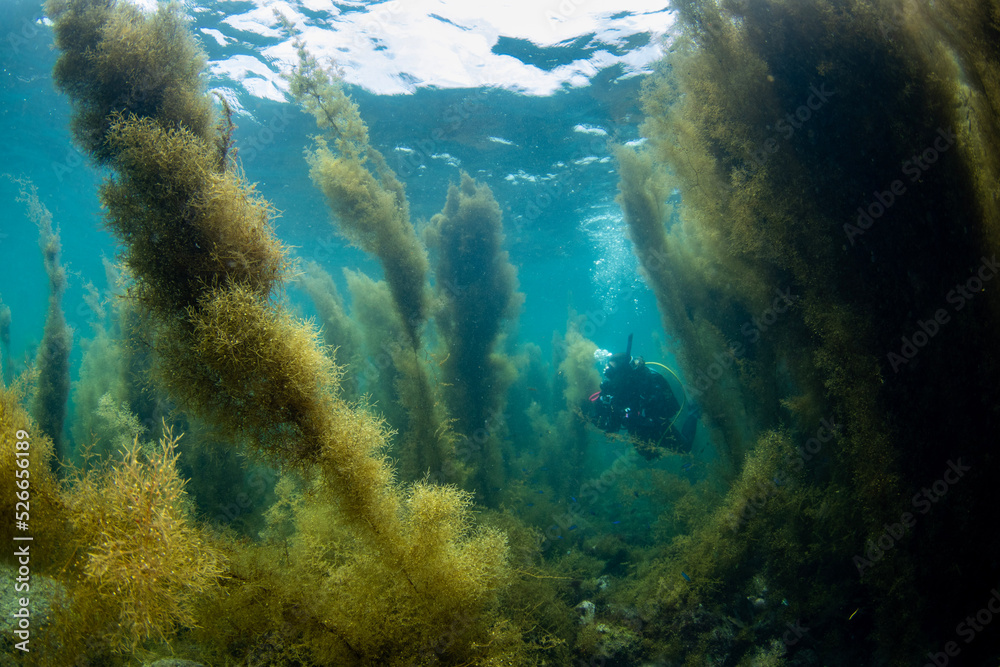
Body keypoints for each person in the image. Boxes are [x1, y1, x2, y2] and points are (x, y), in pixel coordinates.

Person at [586, 334, 695, 458]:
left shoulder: (645, 382)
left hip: (657, 424)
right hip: (639, 429)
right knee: (649, 456)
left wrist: (634, 416)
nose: (609, 379)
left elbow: (660, 410)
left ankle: (694, 411)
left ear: (622, 372)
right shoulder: (618, 389)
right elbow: (611, 423)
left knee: (684, 447)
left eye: (612, 372)